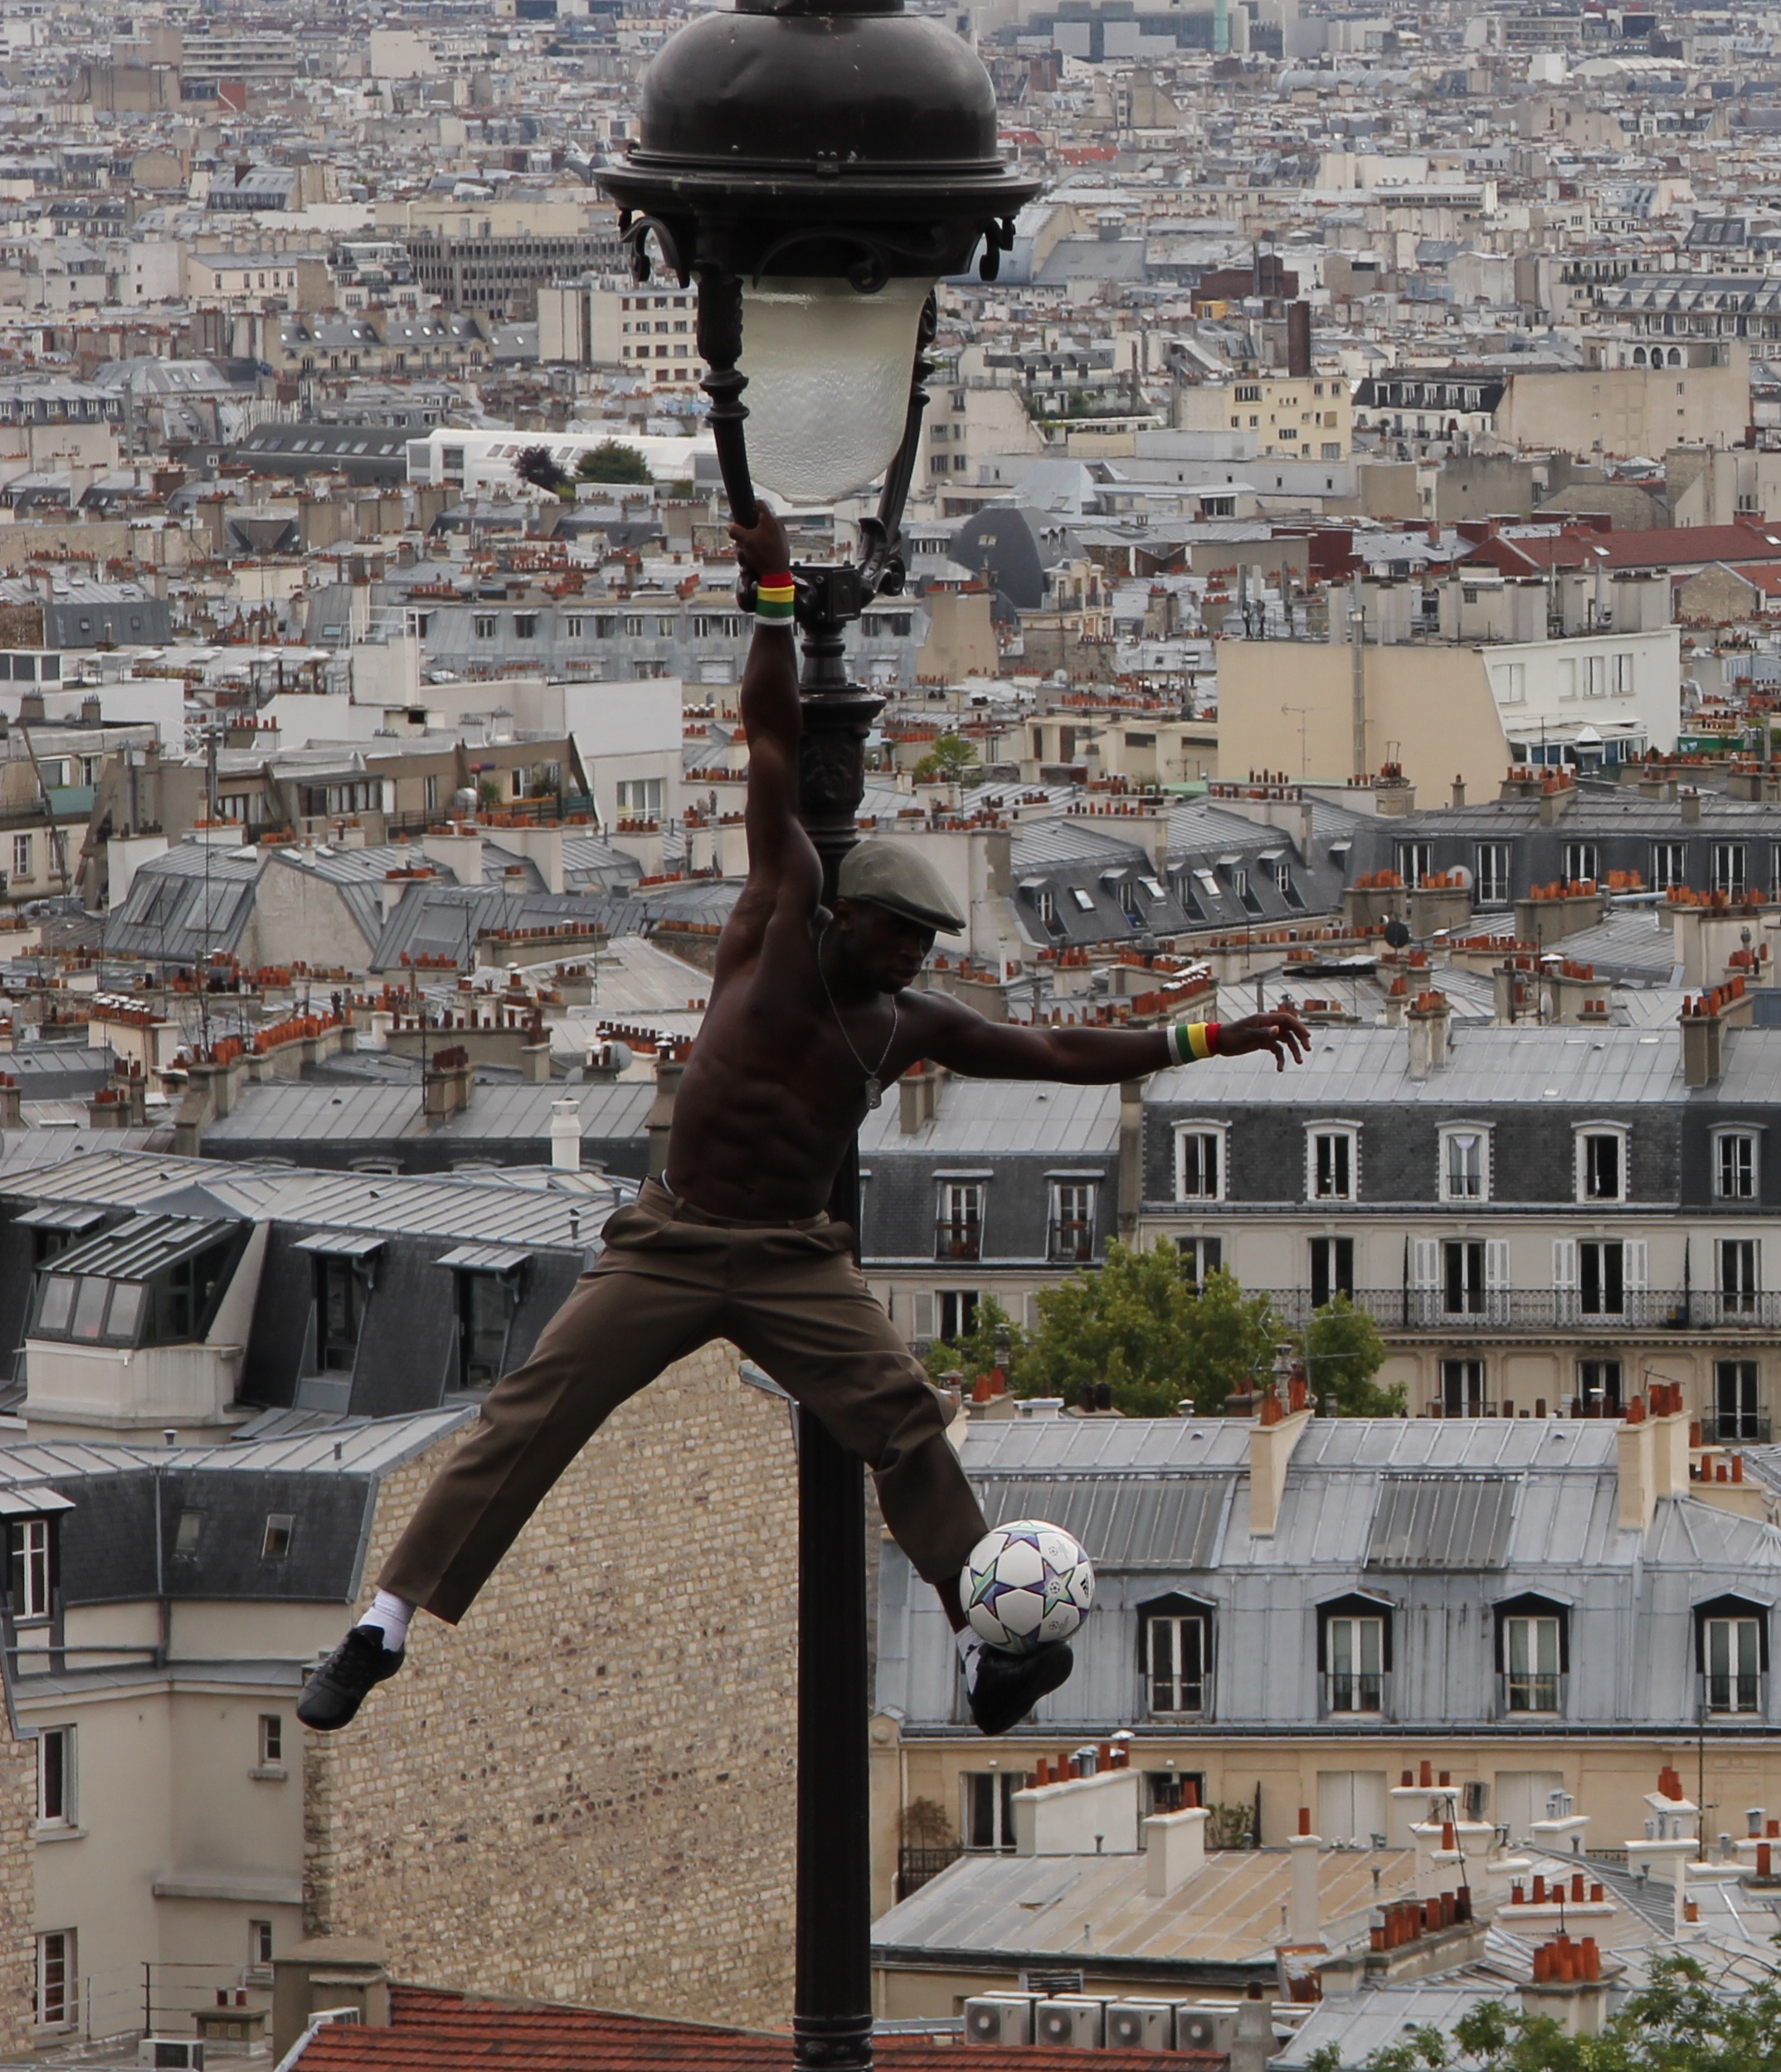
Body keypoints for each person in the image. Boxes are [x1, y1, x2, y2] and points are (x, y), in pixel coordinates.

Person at [300, 505, 1310, 1736]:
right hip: (671, 1241)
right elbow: (771, 737)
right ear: (850, 917)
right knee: (533, 1410)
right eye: (901, 936)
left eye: (926, 947)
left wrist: (1208, 1036)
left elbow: (1057, 1048)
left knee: (906, 1419)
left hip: (789, 1255)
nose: (914, 956)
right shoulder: (779, 919)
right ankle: (379, 1628)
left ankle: (984, 1641)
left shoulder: (908, 1020)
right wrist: (774, 594)